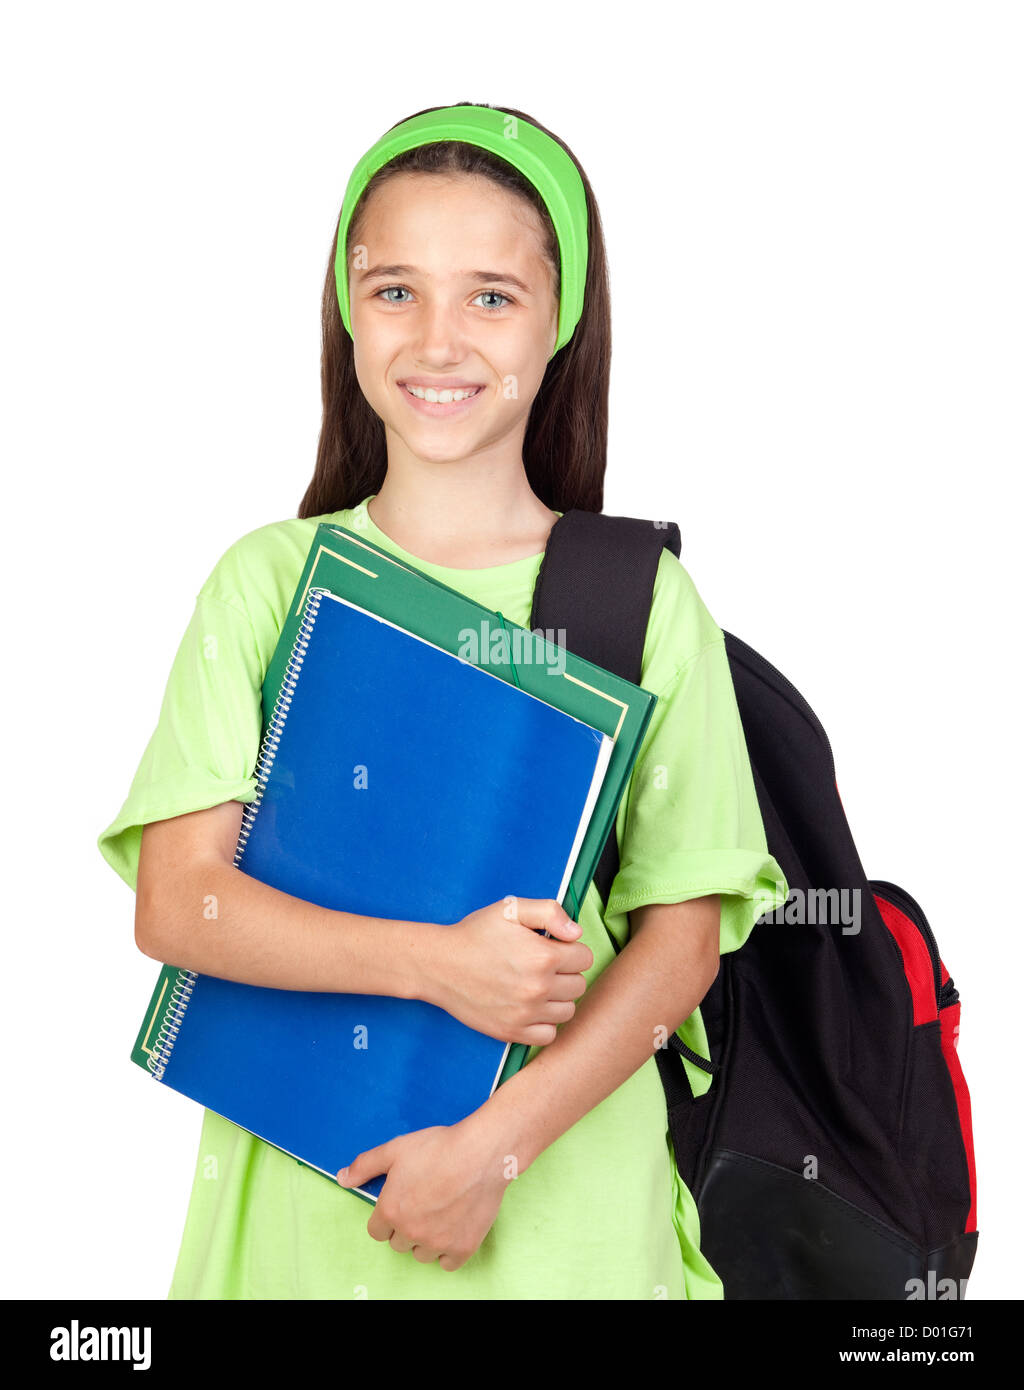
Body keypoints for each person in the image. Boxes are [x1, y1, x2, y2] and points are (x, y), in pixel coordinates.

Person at [97, 101, 788, 1300]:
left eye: (490, 295)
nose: (436, 340)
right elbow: (178, 904)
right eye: (394, 290)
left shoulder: (637, 600)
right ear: (346, 314)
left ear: (559, 318)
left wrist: (491, 1149)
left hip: (562, 1209)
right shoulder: (270, 582)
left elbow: (680, 943)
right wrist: (438, 965)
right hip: (311, 1204)